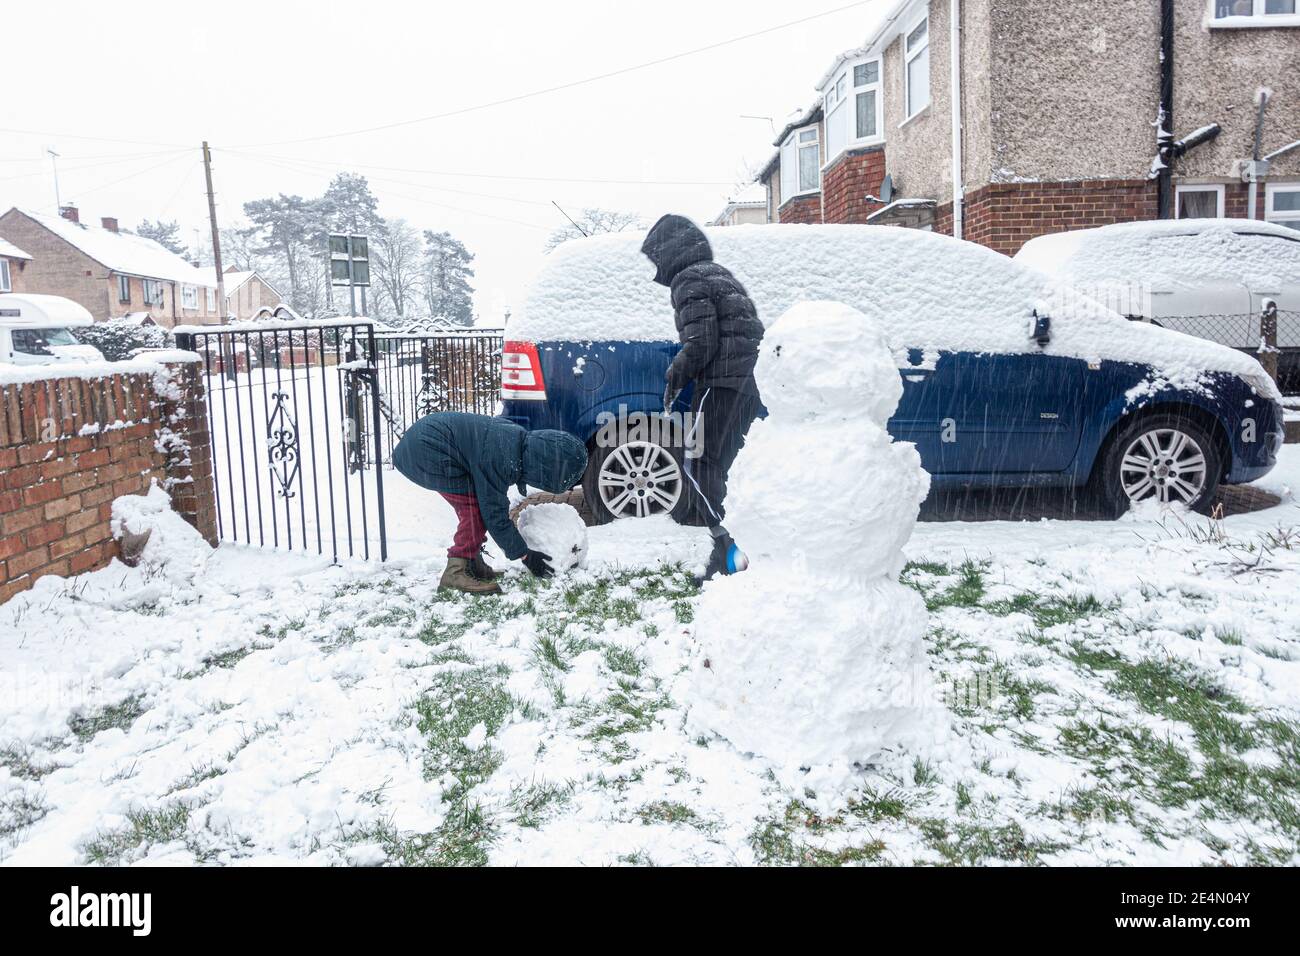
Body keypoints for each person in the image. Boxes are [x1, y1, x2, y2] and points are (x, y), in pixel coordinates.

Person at [640, 214, 764, 581]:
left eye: (655, 257)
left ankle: (728, 548)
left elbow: (701, 341)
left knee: (697, 467)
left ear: (670, 251)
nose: (656, 266)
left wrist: (675, 375)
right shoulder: (717, 273)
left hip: (720, 382)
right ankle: (735, 553)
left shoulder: (688, 278)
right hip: (747, 384)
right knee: (726, 467)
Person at [393, 412, 588, 595]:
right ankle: (455, 572)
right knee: (475, 509)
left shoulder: (514, 444)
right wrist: (525, 555)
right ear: (543, 468)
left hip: (427, 442)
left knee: (478, 504)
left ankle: (471, 563)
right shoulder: (501, 457)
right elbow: (494, 514)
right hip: (426, 451)